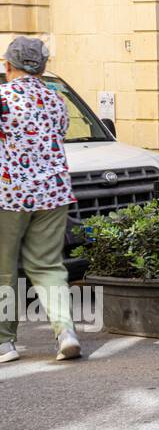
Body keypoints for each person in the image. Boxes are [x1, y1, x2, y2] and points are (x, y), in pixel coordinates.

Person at [0, 37, 80, 363]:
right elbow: (58, 135)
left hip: (8, 194)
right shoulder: (56, 99)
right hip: (54, 192)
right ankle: (66, 333)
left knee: (4, 270)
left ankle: (5, 343)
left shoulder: (2, 98)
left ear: (8, 66)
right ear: (44, 67)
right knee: (48, 267)